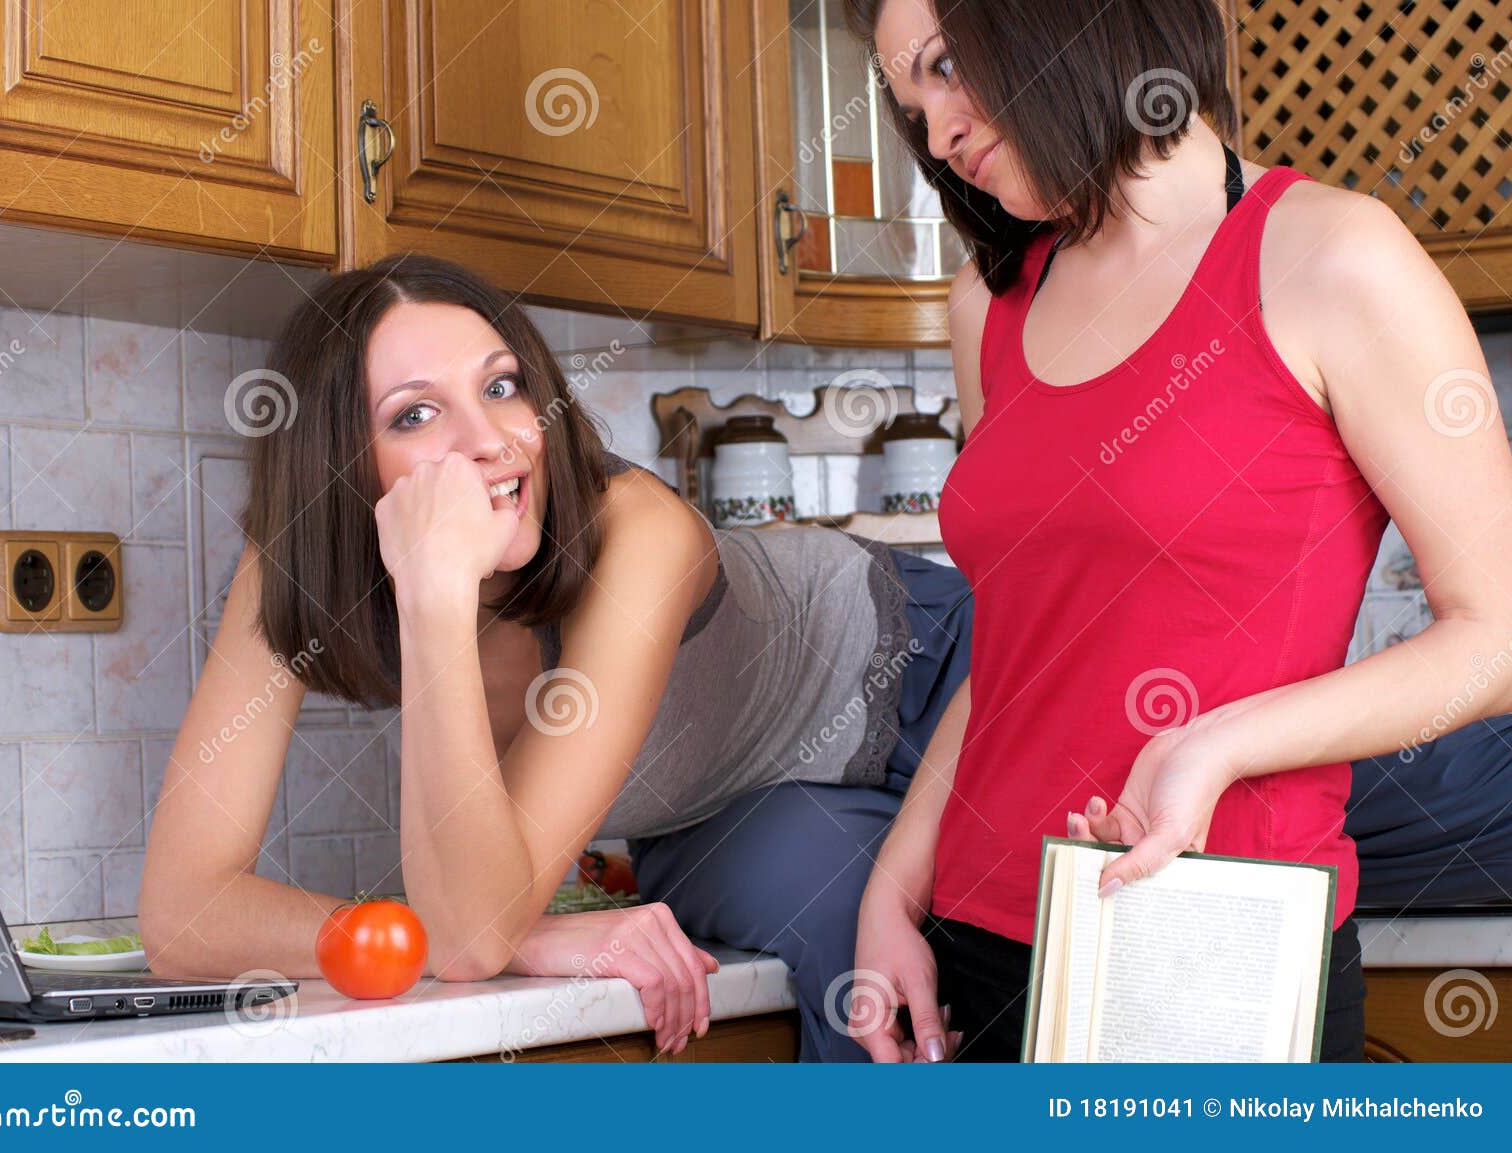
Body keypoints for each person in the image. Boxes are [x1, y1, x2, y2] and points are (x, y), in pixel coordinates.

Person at [845, 0, 1512, 1062]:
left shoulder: (1331, 257)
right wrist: (894, 886)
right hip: (971, 942)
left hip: (1210, 942)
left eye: (943, 68)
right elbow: (1020, 641)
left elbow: (1495, 638)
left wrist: (1216, 743)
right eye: (906, 97)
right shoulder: (991, 297)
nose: (934, 132)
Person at [138, 252, 974, 1061]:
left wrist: (430, 597)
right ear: (339, 473)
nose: (493, 440)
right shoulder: (295, 558)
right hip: (729, 810)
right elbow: (183, 913)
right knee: (847, 949)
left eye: (502, 387)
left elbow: (477, 932)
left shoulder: (640, 531)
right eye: (414, 415)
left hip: (941, 681)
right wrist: (445, 937)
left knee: (955, 958)